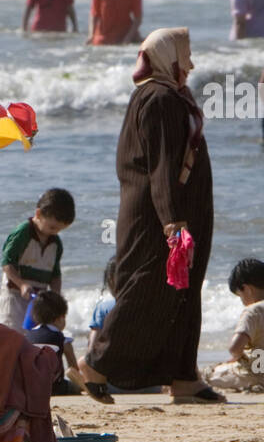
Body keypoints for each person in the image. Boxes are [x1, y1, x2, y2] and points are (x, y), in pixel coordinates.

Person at [78, 28, 223, 404]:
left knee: (183, 292)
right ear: (166, 59)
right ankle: (97, 362)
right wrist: (172, 222)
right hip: (157, 217)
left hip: (180, 213)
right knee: (146, 288)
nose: (190, 64)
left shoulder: (170, 95)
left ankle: (183, 376)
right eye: (183, 56)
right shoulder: (158, 98)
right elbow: (160, 167)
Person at [204, 259, 264, 391]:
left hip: (256, 373)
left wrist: (237, 356)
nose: (242, 301)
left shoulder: (254, 311)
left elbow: (234, 347)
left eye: (240, 295)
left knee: (207, 374)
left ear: (247, 289)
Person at [0, 187, 74, 332]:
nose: (55, 232)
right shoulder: (23, 232)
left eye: (59, 229)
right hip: (15, 292)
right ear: (38, 214)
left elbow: (55, 275)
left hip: (40, 298)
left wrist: (56, 295)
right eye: (52, 227)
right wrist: (21, 284)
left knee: (35, 335)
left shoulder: (55, 243)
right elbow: (6, 263)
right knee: (13, 332)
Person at [23, 290, 80, 395]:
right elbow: (74, 370)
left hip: (29, 387)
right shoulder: (63, 340)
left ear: (35, 316)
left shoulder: (26, 337)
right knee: (76, 387)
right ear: (60, 318)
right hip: (55, 388)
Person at [85, 257, 118, 361]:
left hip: (110, 362)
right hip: (140, 363)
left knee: (83, 363)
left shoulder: (103, 308)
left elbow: (92, 348)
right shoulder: (141, 304)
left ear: (110, 280)